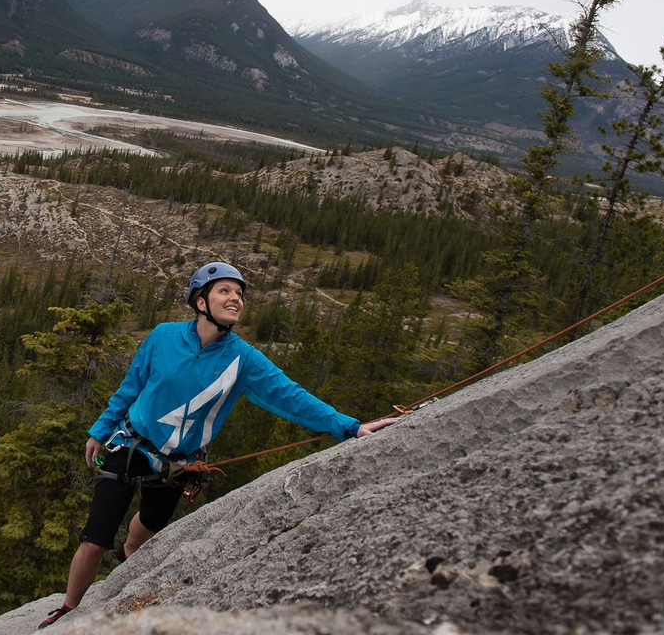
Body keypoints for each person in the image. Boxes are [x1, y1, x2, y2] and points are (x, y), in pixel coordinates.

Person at [38, 261, 398, 628]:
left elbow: (292, 396)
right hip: (130, 444)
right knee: (94, 539)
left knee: (147, 526)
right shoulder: (162, 337)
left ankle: (129, 551)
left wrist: (350, 428)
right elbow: (130, 387)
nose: (236, 299)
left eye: (239, 294)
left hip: (180, 463)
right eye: (225, 291)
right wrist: (100, 430)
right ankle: (68, 610)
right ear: (200, 301)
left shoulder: (243, 359)